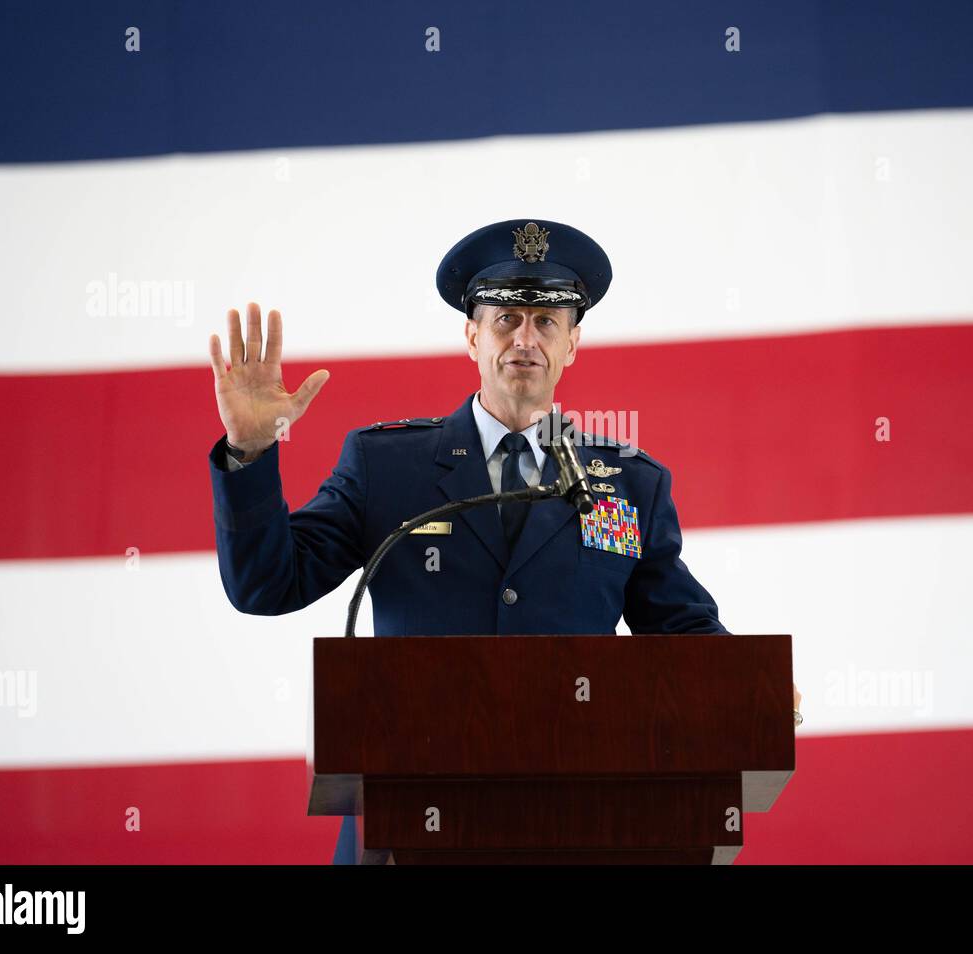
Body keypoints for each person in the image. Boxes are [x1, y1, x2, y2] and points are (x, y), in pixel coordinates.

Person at [206, 219, 794, 864]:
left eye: (547, 322)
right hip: (412, 829)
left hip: (577, 828)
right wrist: (250, 450)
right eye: (505, 319)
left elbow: (679, 627)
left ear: (573, 343)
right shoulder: (388, 465)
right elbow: (267, 585)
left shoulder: (626, 482)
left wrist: (750, 685)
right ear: (472, 336)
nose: (525, 339)